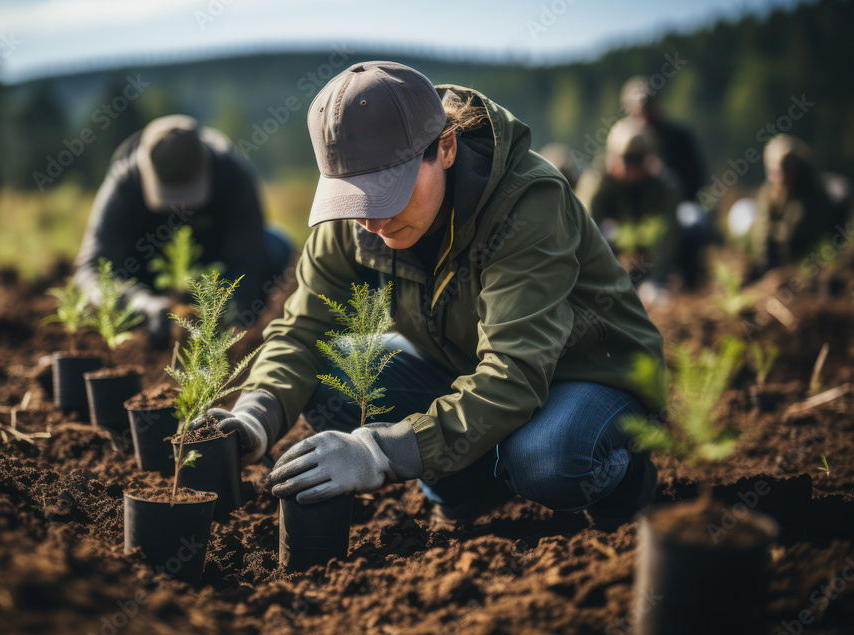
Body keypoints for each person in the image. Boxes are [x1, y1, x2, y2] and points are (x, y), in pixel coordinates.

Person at [194, 61, 668, 528]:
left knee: (544, 459)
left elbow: (514, 372)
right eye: (352, 197)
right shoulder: (354, 220)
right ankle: (472, 489)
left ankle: (624, 481)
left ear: (445, 147)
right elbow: (302, 331)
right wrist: (256, 413)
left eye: (386, 191)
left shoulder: (527, 205)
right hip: (464, 364)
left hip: (588, 373)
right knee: (336, 372)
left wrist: (380, 450)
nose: (371, 221)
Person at [73, 114, 293, 348]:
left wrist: (234, 316)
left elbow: (252, 259)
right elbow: (90, 270)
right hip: (148, 282)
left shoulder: (232, 173)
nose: (181, 211)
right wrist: (141, 303)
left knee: (278, 244)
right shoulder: (124, 181)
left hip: (217, 279)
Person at [621, 76, 713, 289]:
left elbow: (695, 180)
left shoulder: (678, 138)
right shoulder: (620, 142)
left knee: (692, 221)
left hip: (675, 208)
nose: (645, 115)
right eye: (639, 109)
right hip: (631, 215)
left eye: (649, 107)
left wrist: (669, 189)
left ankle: (689, 283)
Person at [575, 118, 681, 292]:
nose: (631, 167)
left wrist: (656, 276)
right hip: (608, 252)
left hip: (646, 257)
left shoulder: (663, 187)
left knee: (692, 221)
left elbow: (668, 235)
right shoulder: (595, 184)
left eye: (638, 159)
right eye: (627, 159)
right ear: (611, 158)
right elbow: (582, 230)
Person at [749, 134, 851, 278]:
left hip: (809, 255)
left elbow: (807, 233)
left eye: (789, 169)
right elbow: (763, 233)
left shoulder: (813, 192)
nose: (784, 177)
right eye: (777, 172)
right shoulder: (768, 194)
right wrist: (767, 268)